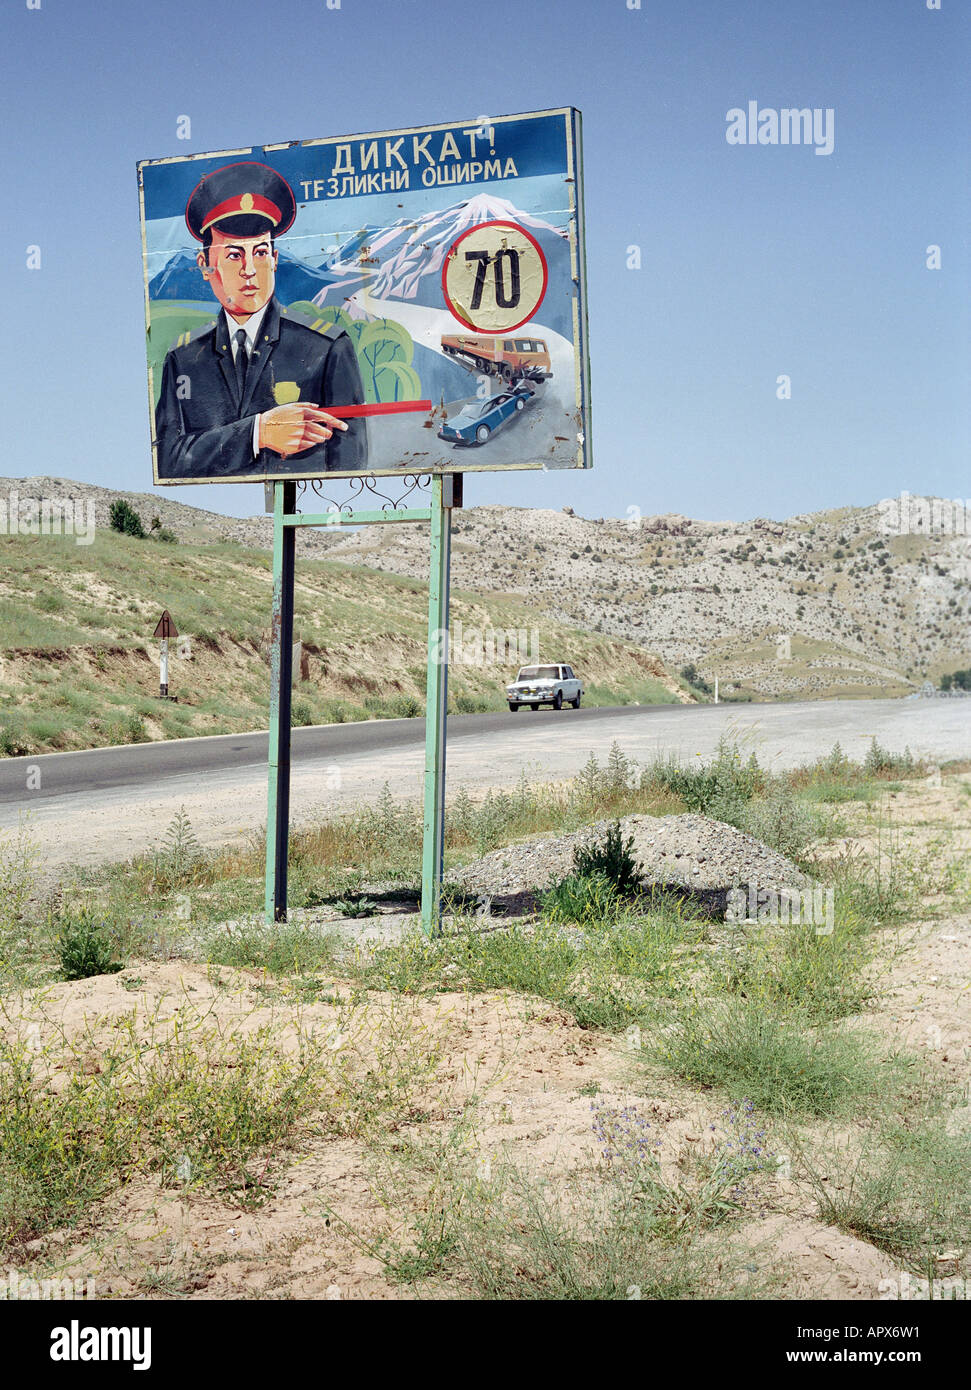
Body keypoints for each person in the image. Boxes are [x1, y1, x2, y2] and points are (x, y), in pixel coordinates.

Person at [154, 161, 367, 480]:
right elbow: (169, 460)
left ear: (275, 259)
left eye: (261, 253)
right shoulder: (184, 359)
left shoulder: (326, 348)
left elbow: (352, 456)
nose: (250, 270)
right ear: (205, 264)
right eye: (234, 255)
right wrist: (258, 433)